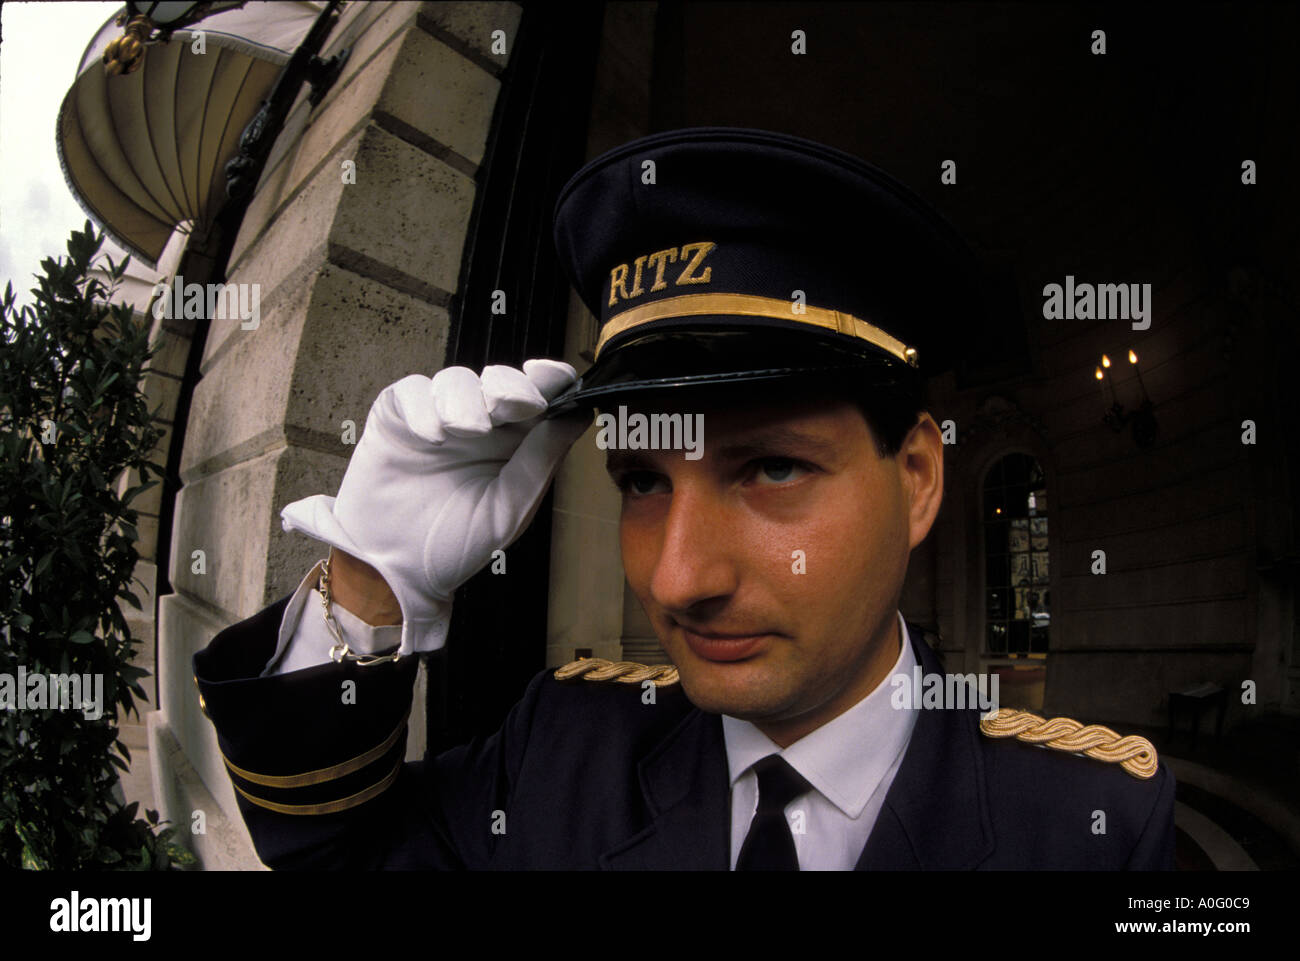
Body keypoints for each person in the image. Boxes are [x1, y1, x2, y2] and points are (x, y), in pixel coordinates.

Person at [194, 128, 1175, 870]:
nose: (676, 577)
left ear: (916, 478)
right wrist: (371, 581)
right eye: (644, 481)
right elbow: (335, 859)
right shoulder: (564, 748)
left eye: (772, 468)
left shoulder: (1088, 825)